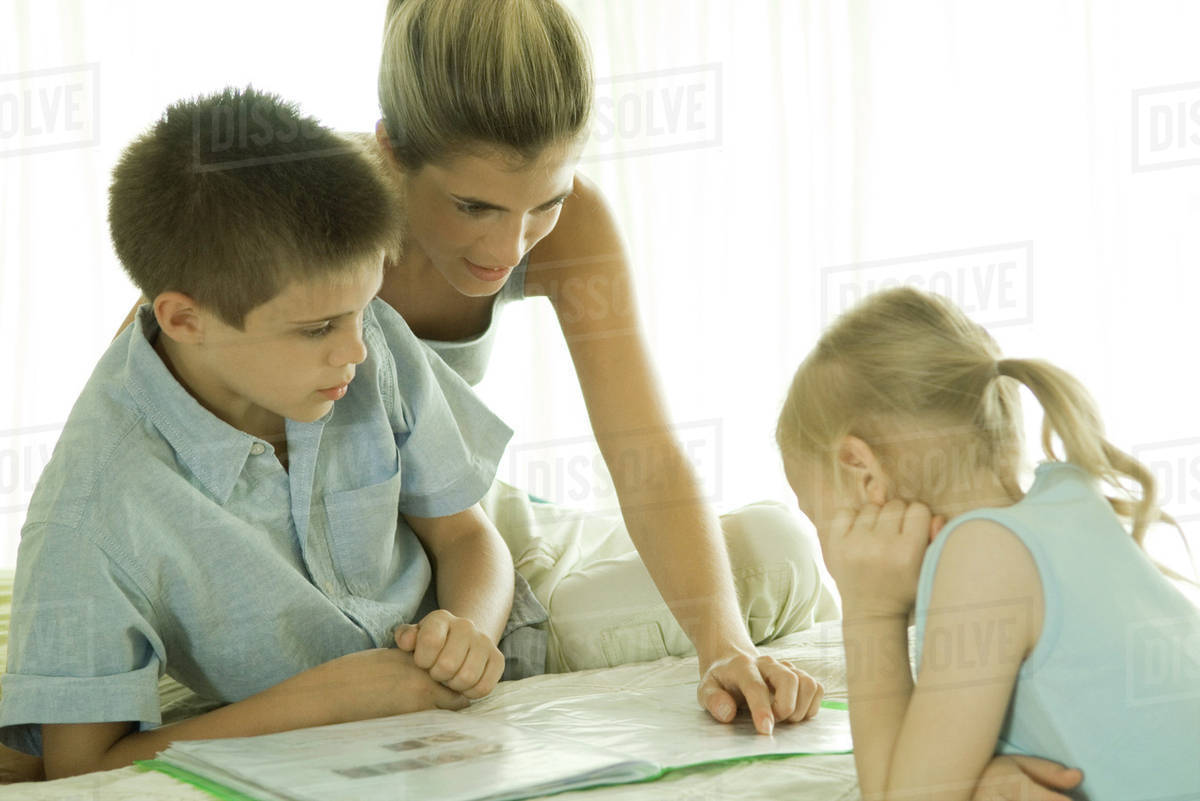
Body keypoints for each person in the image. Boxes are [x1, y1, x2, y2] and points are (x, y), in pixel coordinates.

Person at [0, 87, 549, 779]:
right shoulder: (97, 504)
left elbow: (466, 535)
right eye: (319, 328)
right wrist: (330, 699)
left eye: (364, 308)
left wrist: (466, 628)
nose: (356, 349)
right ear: (183, 319)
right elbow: (80, 769)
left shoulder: (358, 333)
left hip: (495, 614)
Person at [776, 286, 1200, 800]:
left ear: (864, 474)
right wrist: (981, 777)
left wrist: (870, 610)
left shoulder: (981, 557)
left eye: (815, 516)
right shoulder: (1069, 495)